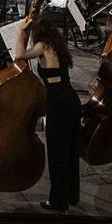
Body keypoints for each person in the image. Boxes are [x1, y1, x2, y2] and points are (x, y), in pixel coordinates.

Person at [17, 18, 80, 211]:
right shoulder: (57, 46)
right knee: (71, 151)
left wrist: (21, 32)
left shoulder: (42, 46)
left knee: (57, 153)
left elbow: (19, 56)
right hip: (72, 99)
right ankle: (71, 195)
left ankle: (57, 201)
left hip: (58, 103)